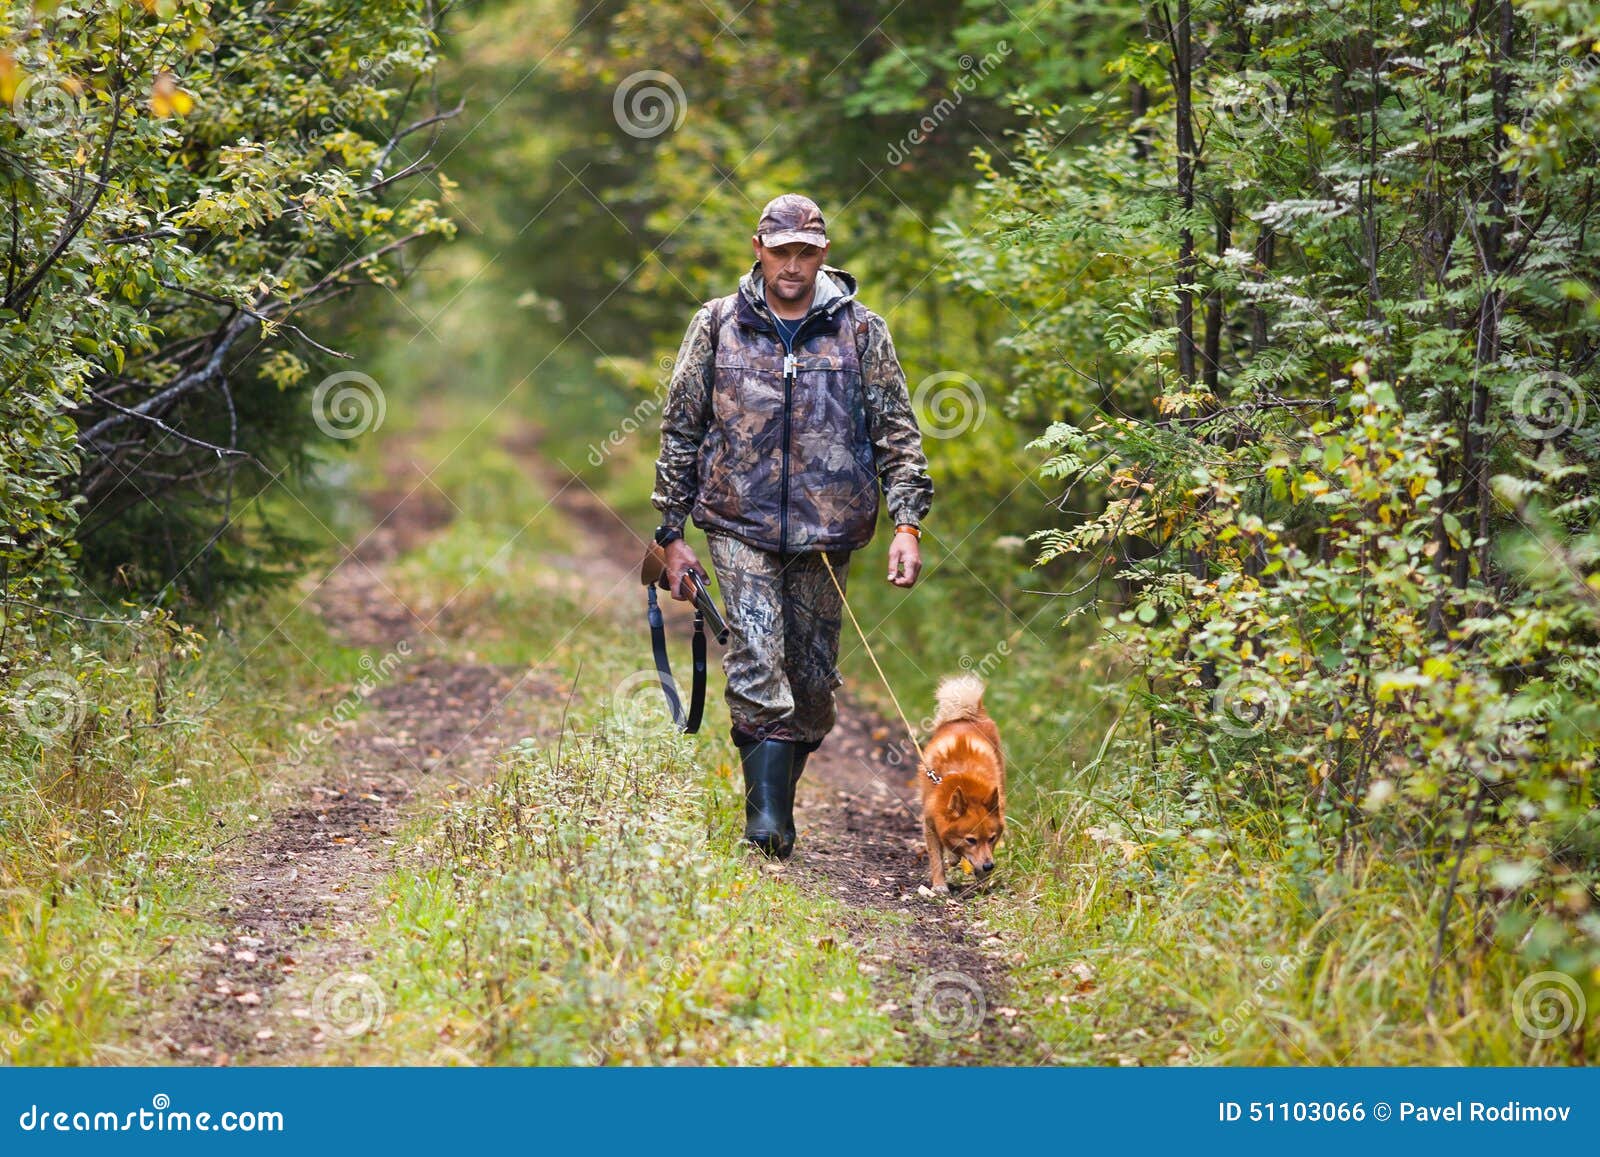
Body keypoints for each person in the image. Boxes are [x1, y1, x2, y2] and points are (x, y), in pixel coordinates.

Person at [650, 193, 933, 859]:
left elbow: (897, 432)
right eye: (782, 252)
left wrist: (907, 523)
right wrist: (670, 532)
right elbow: (680, 429)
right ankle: (767, 825)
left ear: (823, 255)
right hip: (735, 520)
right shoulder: (717, 324)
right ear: (759, 248)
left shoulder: (862, 331)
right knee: (756, 657)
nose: (793, 265)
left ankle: (778, 787)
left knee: (811, 688)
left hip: (828, 535)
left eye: (806, 252)